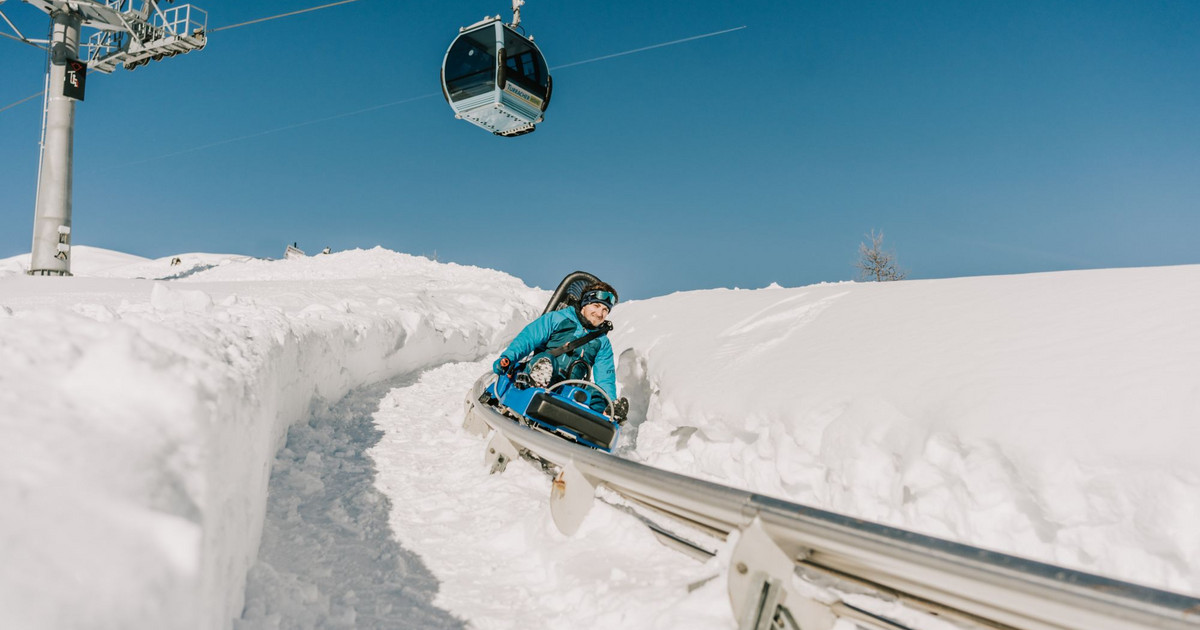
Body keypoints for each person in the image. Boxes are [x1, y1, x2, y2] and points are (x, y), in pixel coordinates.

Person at [493, 281, 624, 417]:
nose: (599, 313)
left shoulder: (602, 342)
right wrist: (508, 358)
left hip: (572, 385)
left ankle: (605, 414)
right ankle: (537, 386)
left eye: (605, 310)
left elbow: (605, 378)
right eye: (596, 306)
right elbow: (528, 338)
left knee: (596, 393)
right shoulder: (558, 318)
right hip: (543, 371)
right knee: (546, 360)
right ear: (585, 304)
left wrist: (610, 401)